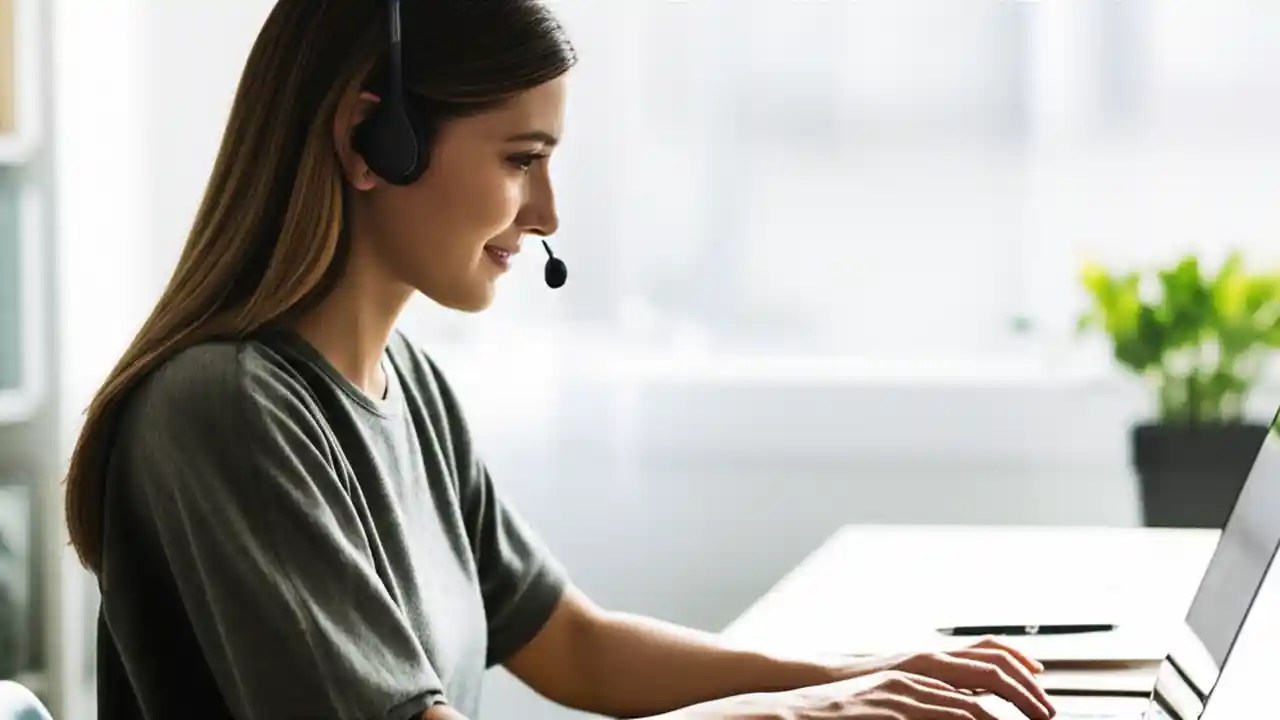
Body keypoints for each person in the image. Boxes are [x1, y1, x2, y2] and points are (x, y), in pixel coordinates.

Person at [62, 2, 1059, 719]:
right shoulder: (225, 410)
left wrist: (859, 675)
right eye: (520, 159)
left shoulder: (410, 388)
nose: (545, 213)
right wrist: (798, 716)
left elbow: (576, 645)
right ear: (370, 139)